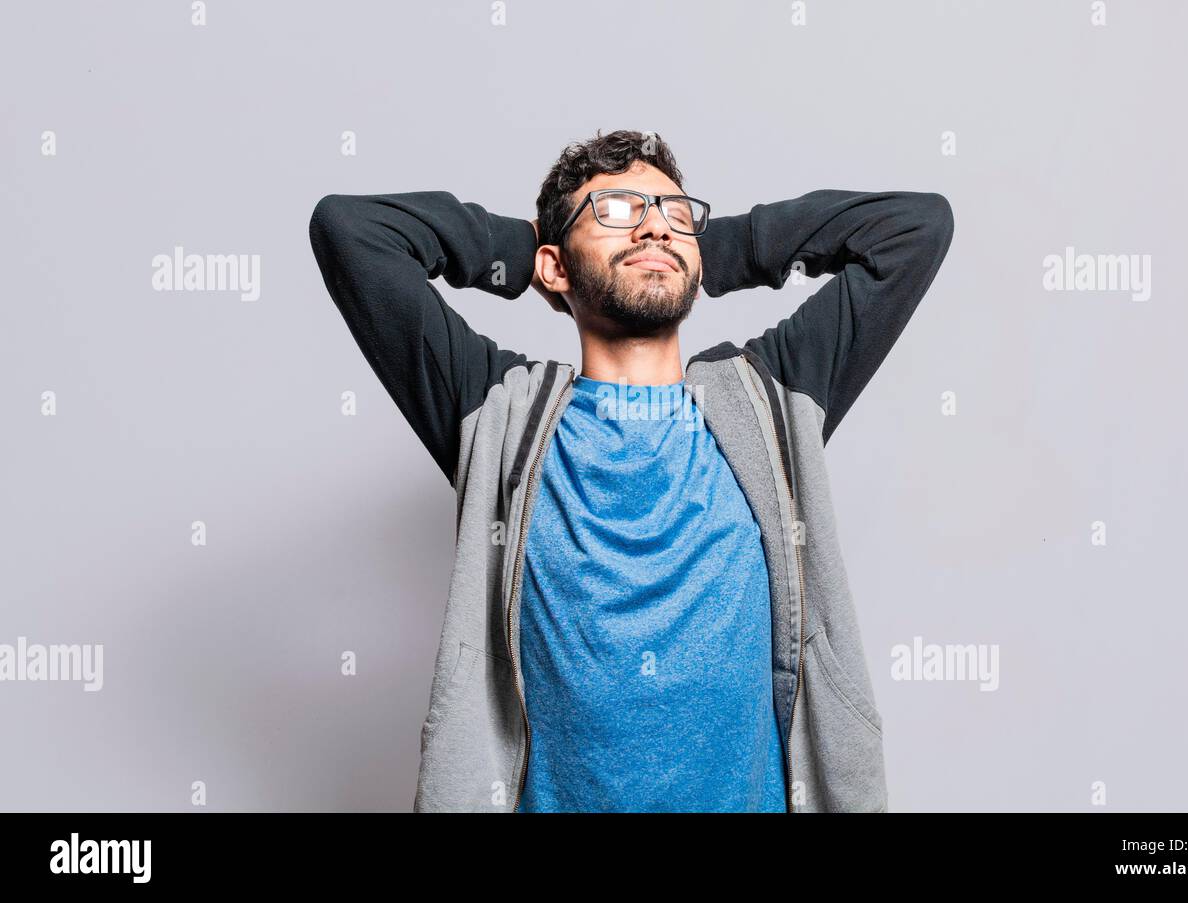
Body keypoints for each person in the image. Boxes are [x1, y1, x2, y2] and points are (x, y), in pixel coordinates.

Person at [308, 129, 954, 812]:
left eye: (674, 213)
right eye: (616, 210)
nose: (653, 226)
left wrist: (712, 250)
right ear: (554, 268)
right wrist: (519, 251)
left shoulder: (770, 400)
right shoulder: (495, 412)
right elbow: (351, 231)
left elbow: (914, 229)